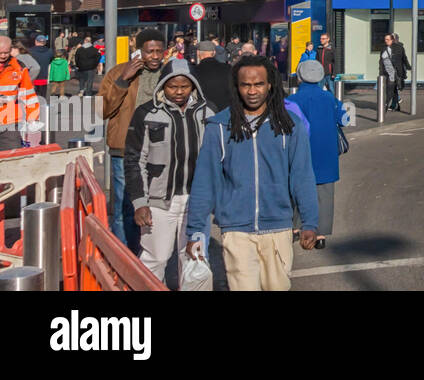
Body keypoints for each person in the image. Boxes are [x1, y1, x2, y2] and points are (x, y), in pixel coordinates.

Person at [185, 56, 318, 291]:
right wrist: (196, 230)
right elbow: (205, 182)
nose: (252, 91)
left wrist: (310, 222)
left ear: (270, 86)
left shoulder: (290, 126)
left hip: (278, 230)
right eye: (245, 85)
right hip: (236, 232)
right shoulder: (219, 127)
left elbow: (302, 176)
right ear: (237, 87)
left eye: (258, 84)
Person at [124, 59, 214, 281]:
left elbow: (217, 158)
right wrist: (139, 202)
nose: (179, 92)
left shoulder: (208, 112)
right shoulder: (146, 113)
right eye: (172, 86)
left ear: (193, 86)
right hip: (158, 201)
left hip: (197, 200)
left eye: (185, 86)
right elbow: (134, 160)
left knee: (194, 258)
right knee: (156, 258)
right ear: (162, 85)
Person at [100, 28, 169, 244]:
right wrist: (123, 80)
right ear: (139, 51)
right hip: (125, 148)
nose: (155, 56)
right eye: (150, 51)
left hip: (161, 148)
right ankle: (124, 258)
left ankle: (149, 257)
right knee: (125, 205)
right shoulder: (118, 72)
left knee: (158, 206)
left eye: (159, 51)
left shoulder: (170, 74)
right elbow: (100, 110)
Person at [290, 59, 349, 249]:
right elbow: (345, 118)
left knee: (298, 188)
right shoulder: (329, 98)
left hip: (302, 150)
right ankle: (321, 234)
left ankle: (297, 227)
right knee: (324, 192)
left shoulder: (292, 100)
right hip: (326, 151)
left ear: (299, 77)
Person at [0, 36, 41, 153]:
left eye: (6, 53)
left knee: (13, 160)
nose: (3, 56)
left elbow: (29, 95)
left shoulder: (19, 68)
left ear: (11, 50)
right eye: (0, 53)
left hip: (9, 123)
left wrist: (33, 120)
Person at [190, 40, 233, 113]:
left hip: (203, 113)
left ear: (198, 53)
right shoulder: (228, 69)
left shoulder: (194, 71)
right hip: (226, 113)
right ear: (214, 53)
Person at [379, 33, 408, 111]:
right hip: (387, 73)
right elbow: (381, 61)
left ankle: (385, 105)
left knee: (390, 89)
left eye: (389, 39)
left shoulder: (399, 48)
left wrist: (405, 70)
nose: (386, 41)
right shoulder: (385, 48)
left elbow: (403, 59)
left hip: (394, 73)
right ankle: (395, 105)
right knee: (394, 89)